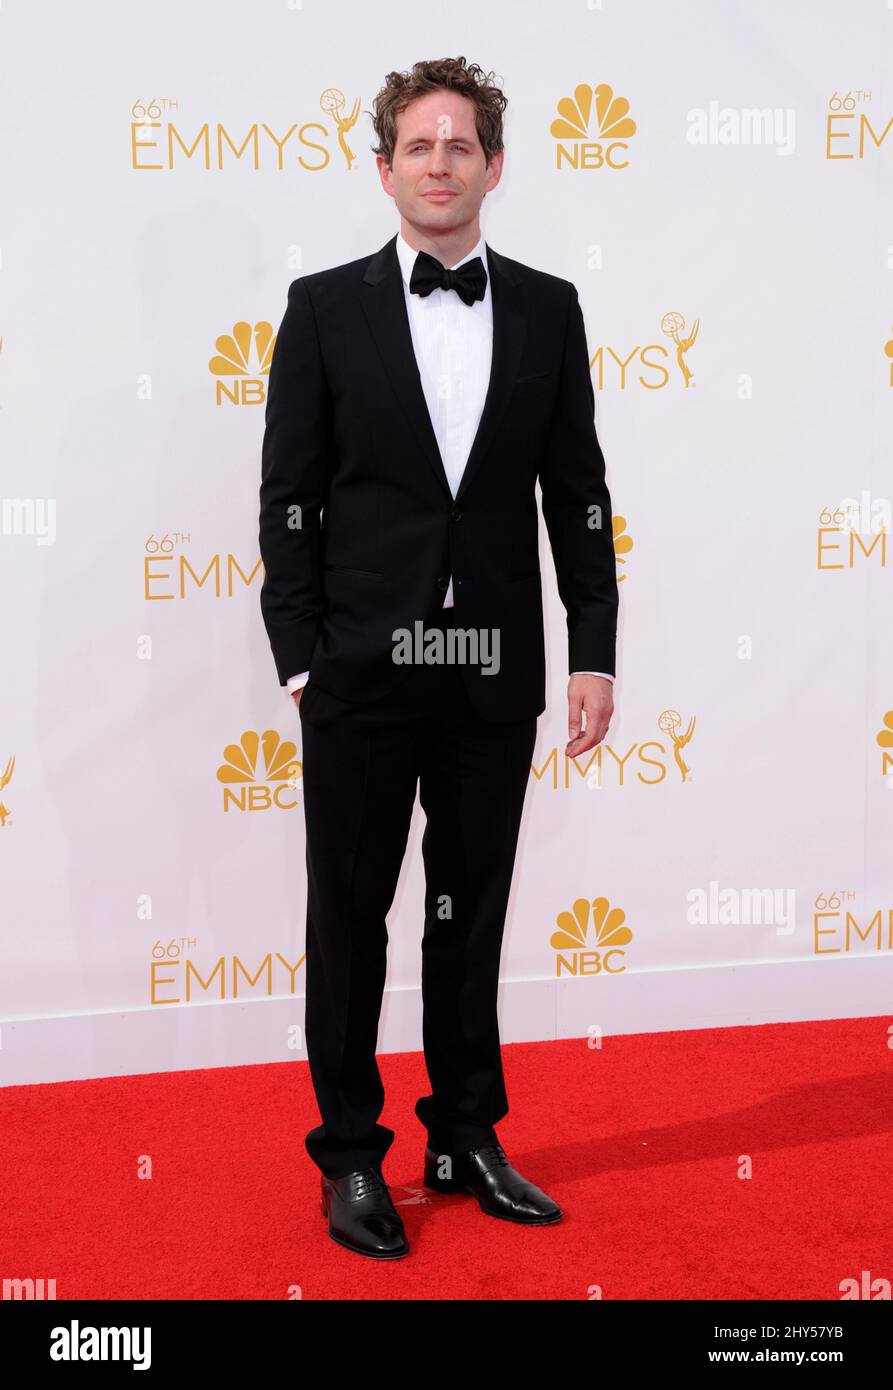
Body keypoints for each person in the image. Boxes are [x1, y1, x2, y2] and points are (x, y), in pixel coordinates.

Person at [258, 56, 619, 1260]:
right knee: (351, 916)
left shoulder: (551, 307)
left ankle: (464, 1138)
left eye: (461, 145)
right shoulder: (323, 308)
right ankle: (350, 1158)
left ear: (495, 167)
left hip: (485, 663)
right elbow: (289, 493)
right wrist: (301, 659)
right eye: (418, 145)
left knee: (468, 917)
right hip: (361, 666)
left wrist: (591, 651)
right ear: (383, 167)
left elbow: (576, 494)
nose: (440, 162)